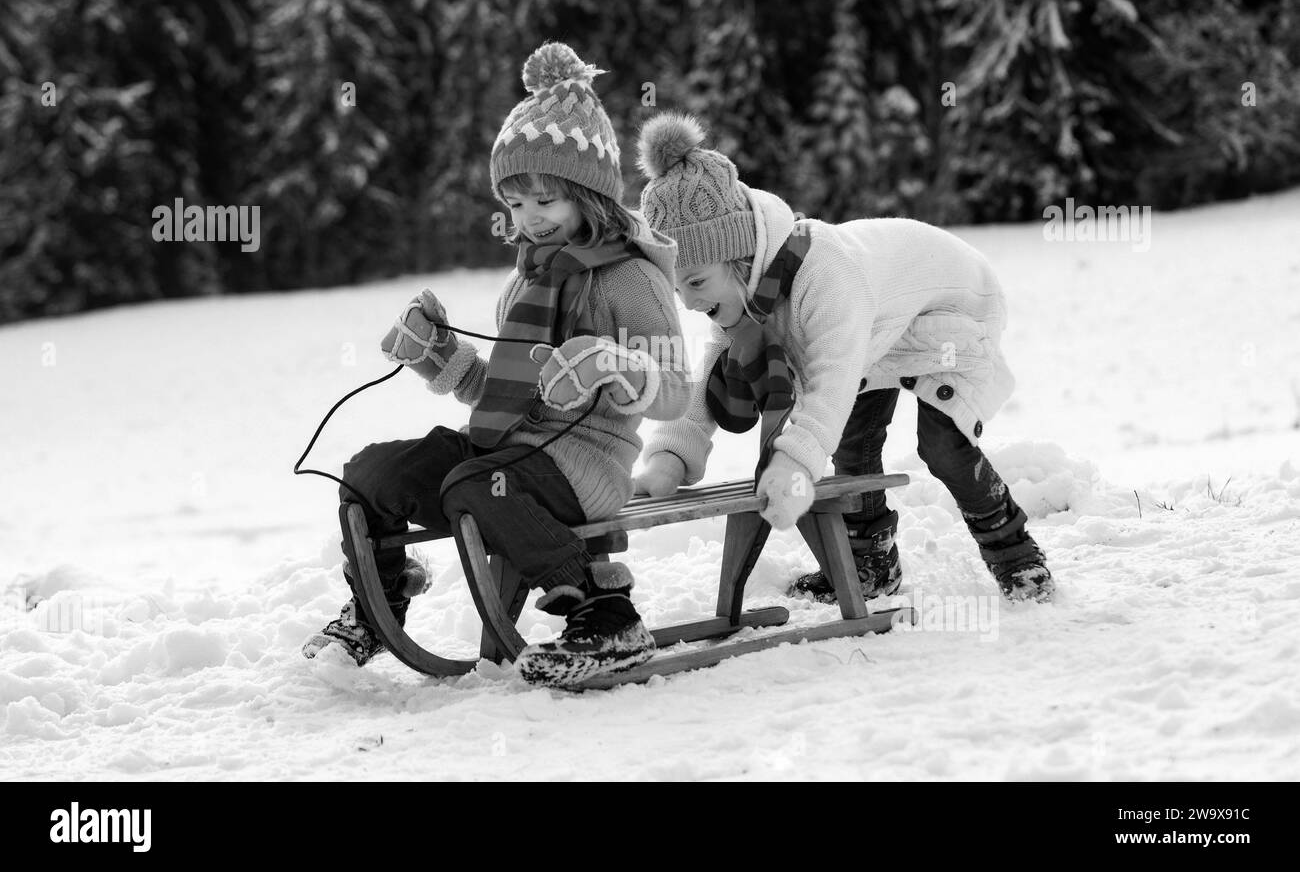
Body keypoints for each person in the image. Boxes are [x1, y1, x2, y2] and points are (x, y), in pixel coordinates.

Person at [304, 44, 691, 685]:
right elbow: (503, 392)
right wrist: (439, 356)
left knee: (474, 484)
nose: (528, 219)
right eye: (515, 203)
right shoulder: (526, 282)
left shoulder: (630, 280)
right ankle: (381, 599)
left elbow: (677, 393)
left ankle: (605, 613)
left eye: (546, 200)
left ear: (589, 194)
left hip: (585, 464)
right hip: (503, 451)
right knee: (369, 473)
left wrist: (612, 366)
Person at [631, 112, 1054, 603]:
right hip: (877, 324)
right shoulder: (738, 295)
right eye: (676, 284)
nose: (686, 299)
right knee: (853, 445)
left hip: (950, 313)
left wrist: (793, 466)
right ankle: (871, 565)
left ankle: (1018, 558)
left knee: (942, 445)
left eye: (696, 282)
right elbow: (707, 380)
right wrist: (669, 458)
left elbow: (830, 385)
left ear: (739, 258)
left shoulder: (824, 277)